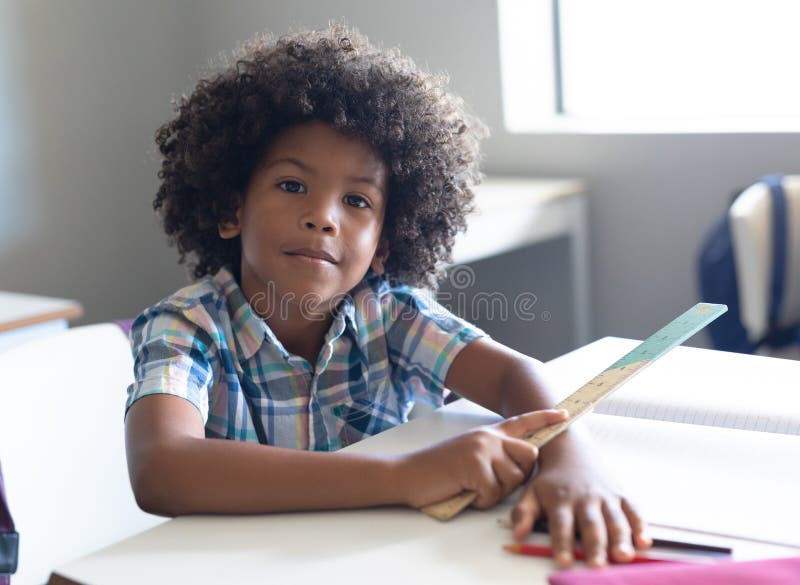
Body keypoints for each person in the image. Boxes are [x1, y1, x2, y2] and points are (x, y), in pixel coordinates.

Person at [125, 23, 650, 568]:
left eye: (356, 200)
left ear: (382, 244)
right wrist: (405, 476)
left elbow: (513, 375)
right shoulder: (186, 327)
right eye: (292, 185)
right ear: (230, 209)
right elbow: (161, 467)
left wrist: (571, 457)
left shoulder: (391, 313)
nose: (323, 218)